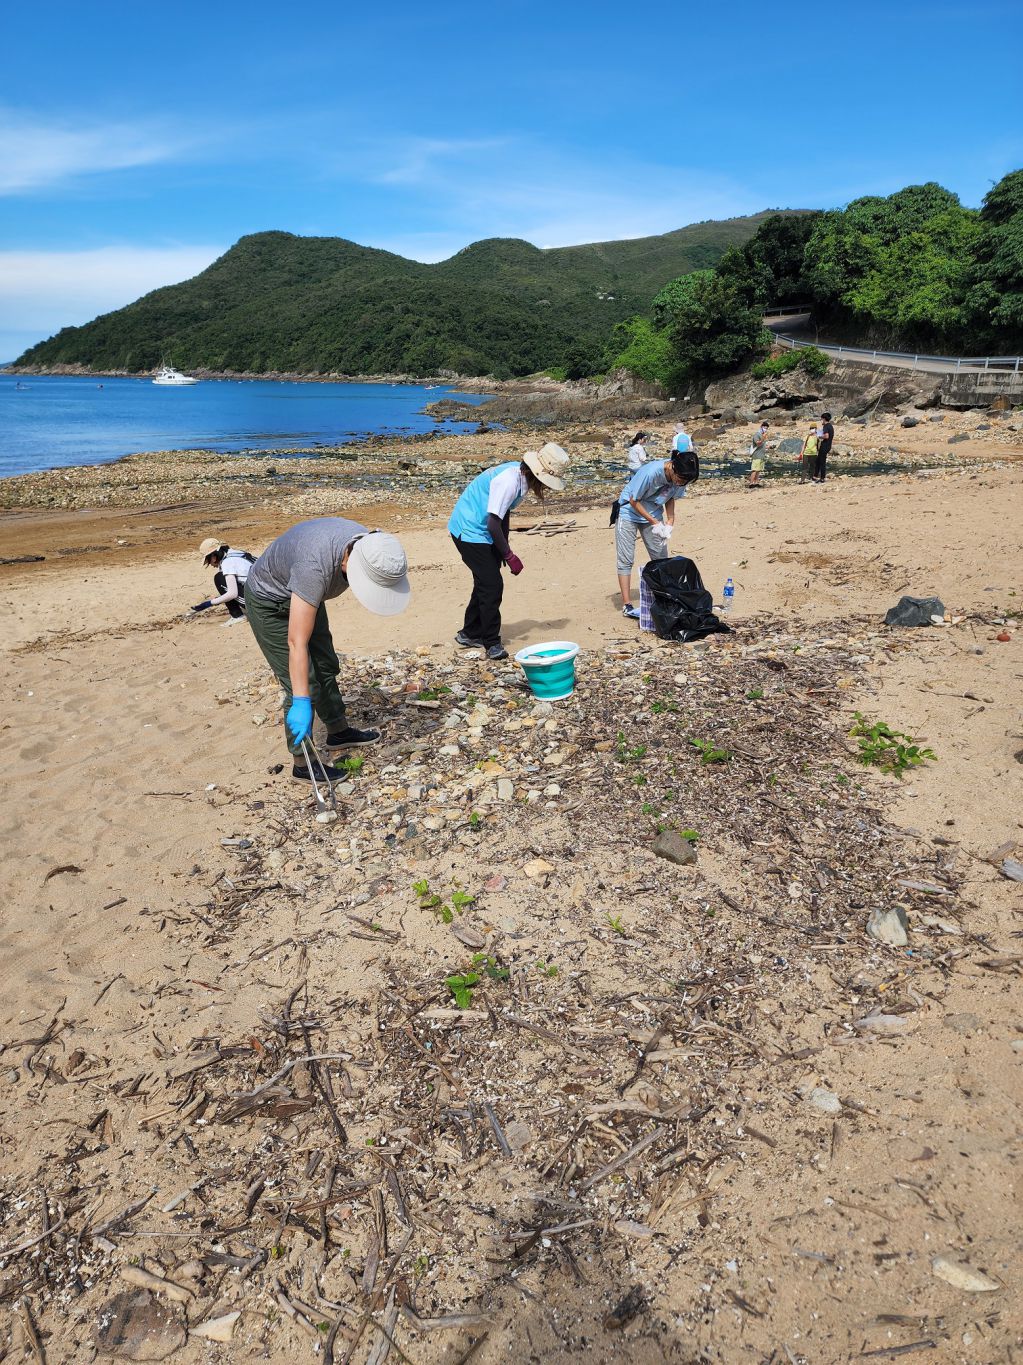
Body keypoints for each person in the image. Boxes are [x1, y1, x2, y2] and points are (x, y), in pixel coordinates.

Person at [245, 519, 410, 783]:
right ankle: (303, 763)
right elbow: (296, 643)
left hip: (307, 595)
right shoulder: (314, 568)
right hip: (270, 603)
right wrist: (300, 702)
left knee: (325, 664)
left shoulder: (373, 545)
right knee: (301, 683)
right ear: (346, 560)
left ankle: (338, 731)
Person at [448, 443, 570, 660]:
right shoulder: (509, 481)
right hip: (468, 530)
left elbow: (503, 514)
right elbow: (493, 523)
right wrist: (508, 555)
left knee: (485, 581)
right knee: (492, 584)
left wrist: (503, 546)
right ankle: (491, 643)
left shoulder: (520, 476)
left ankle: (469, 633)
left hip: (482, 530)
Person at [614, 449, 699, 619]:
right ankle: (627, 605)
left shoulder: (681, 479)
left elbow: (670, 497)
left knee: (661, 557)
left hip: (653, 513)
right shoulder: (651, 472)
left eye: (684, 482)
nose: (680, 484)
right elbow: (633, 500)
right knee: (626, 559)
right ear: (672, 467)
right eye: (680, 479)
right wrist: (654, 522)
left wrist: (670, 520)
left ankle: (665, 598)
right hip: (628, 512)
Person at [192, 538, 255, 621]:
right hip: (268, 593)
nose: (210, 564)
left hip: (259, 601)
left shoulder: (227, 563)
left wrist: (209, 603)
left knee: (219, 578)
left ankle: (237, 616)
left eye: (208, 560)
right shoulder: (237, 553)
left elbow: (232, 594)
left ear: (214, 557)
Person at [747, 422, 770, 488]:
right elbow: (758, 443)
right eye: (765, 428)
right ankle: (751, 483)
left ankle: (756, 482)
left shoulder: (763, 435)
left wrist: (769, 447)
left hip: (761, 455)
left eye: (766, 428)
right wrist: (763, 438)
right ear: (761, 427)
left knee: (758, 470)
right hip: (757, 455)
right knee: (754, 469)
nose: (766, 429)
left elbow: (763, 445)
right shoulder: (757, 435)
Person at [814, 412, 834, 482]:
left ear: (824, 419)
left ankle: (822, 478)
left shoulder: (826, 426)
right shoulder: (830, 426)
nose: (821, 421)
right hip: (828, 446)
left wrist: (819, 436)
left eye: (821, 419)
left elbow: (826, 436)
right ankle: (815, 476)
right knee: (818, 461)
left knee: (822, 462)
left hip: (825, 446)